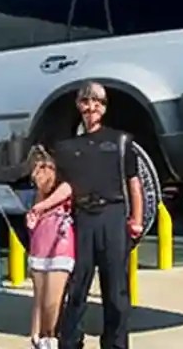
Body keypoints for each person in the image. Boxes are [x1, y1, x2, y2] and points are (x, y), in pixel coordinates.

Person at [51, 81, 144, 349]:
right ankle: (70, 341)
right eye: (86, 102)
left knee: (116, 290)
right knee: (77, 286)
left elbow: (133, 183)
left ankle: (115, 344)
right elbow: (63, 187)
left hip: (113, 216)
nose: (91, 107)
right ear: (79, 106)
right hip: (82, 219)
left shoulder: (121, 141)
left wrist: (136, 219)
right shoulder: (67, 148)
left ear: (104, 108)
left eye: (98, 102)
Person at [24, 145, 75, 349]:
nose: (40, 175)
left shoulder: (64, 189)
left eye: (44, 168)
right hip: (39, 249)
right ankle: (38, 339)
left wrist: (40, 208)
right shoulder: (36, 195)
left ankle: (50, 338)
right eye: (36, 170)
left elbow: (66, 191)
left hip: (60, 248)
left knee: (52, 301)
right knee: (39, 299)